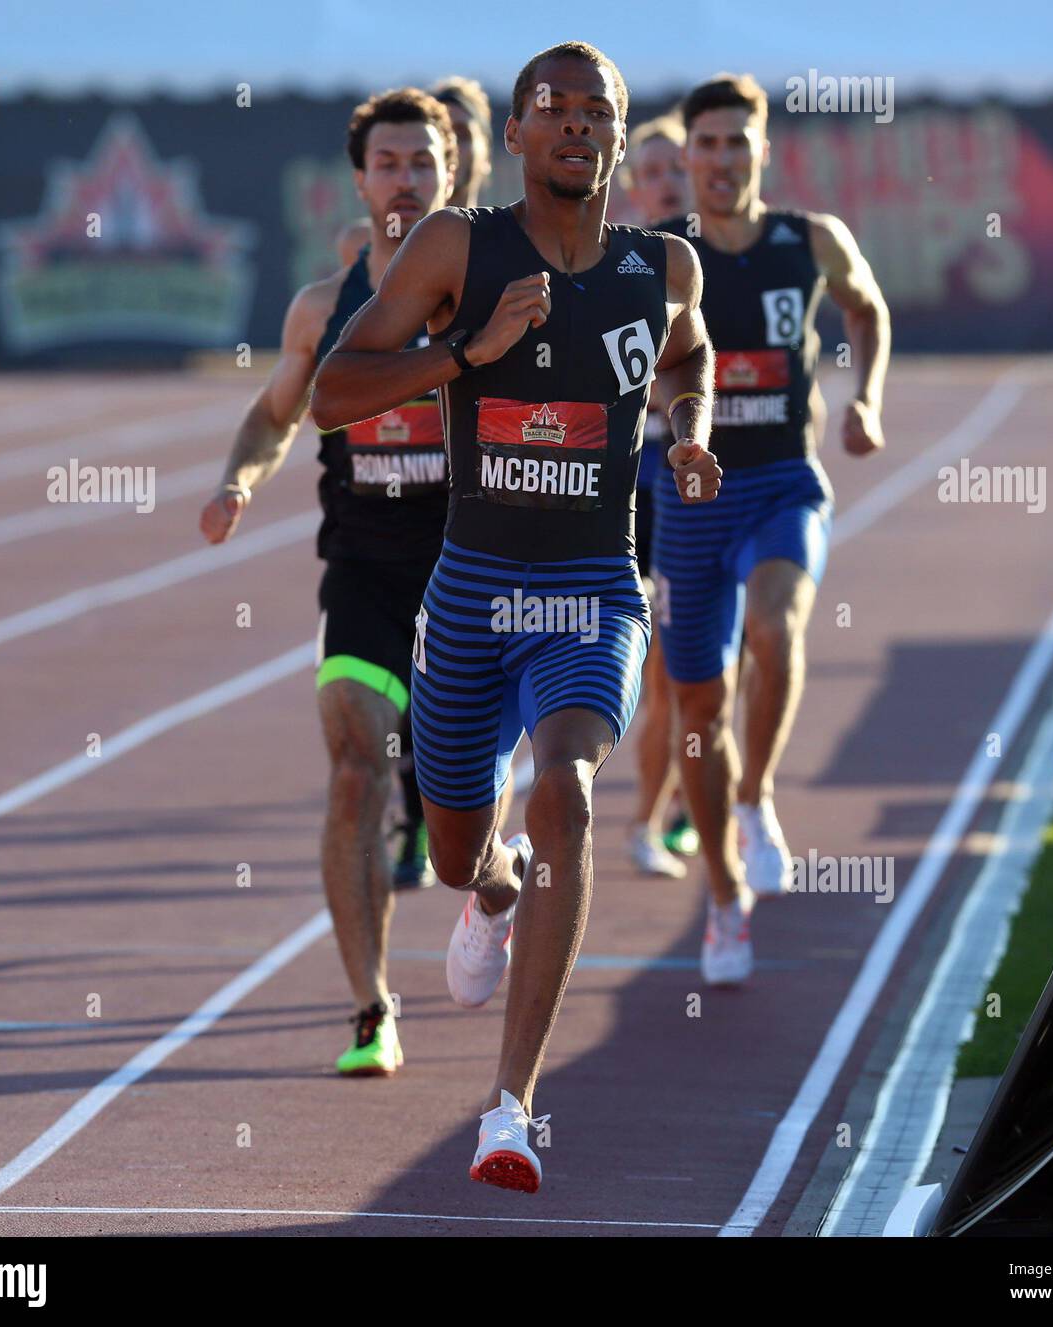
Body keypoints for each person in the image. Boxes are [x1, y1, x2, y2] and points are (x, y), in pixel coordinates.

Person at [312, 41, 720, 1192]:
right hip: (473, 594)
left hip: (592, 592)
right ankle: (491, 888)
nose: (579, 127)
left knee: (570, 791)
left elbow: (688, 362)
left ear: (621, 138)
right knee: (450, 852)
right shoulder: (457, 245)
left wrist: (687, 431)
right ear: (520, 134)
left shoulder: (664, 267)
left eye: (601, 111)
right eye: (557, 109)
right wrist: (463, 355)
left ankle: (510, 1107)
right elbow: (333, 394)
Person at [200, 88, 456, 1074]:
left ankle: (476, 851)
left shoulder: (481, 297)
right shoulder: (321, 307)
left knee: (467, 818)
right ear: (359, 180)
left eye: (420, 162)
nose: (404, 180)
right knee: (353, 764)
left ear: (450, 171)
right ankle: (370, 1007)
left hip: (473, 576)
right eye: (387, 164)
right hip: (363, 572)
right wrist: (235, 481)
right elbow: (272, 416)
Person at [655, 73, 890, 984]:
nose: (720, 160)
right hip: (691, 502)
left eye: (735, 142)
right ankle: (721, 894)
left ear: (764, 149)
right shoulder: (659, 255)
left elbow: (868, 309)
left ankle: (756, 797)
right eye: (705, 145)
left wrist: (865, 397)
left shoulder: (810, 241)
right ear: (688, 158)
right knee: (698, 713)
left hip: (786, 480)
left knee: (777, 624)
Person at [619, 113, 696, 879]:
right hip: (638, 477)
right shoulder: (621, 263)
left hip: (720, 480)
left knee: (709, 666)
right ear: (633, 186)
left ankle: (681, 805)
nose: (669, 178)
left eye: (679, 164)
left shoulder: (726, 259)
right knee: (667, 662)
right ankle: (649, 816)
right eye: (654, 169)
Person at [337, 77, 493, 269]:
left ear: (486, 151)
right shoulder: (362, 242)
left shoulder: (504, 246)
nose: (453, 147)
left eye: (461, 134)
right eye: (445, 134)